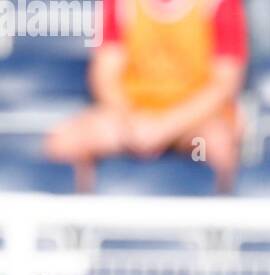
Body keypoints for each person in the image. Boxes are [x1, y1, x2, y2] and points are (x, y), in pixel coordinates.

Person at [44, 0, 248, 192]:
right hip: (133, 117)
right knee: (66, 142)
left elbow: (223, 86)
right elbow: (105, 77)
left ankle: (217, 226)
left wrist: (164, 128)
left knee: (218, 145)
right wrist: (133, 122)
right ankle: (80, 225)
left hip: (194, 125)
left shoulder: (220, 4)